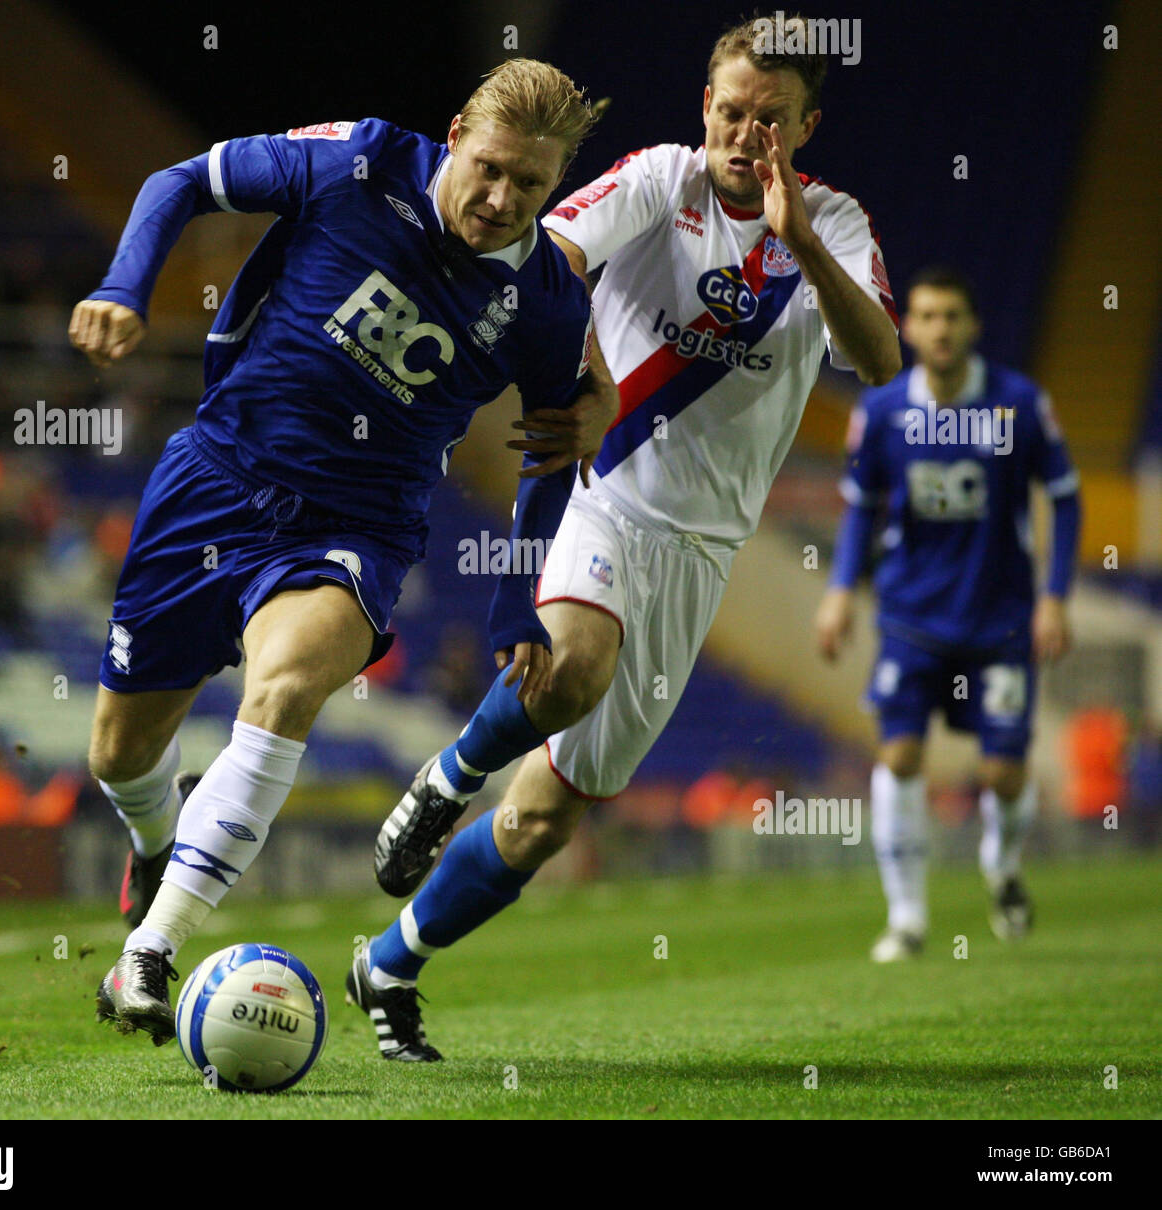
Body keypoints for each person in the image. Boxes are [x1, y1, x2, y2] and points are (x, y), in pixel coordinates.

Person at [352, 14, 901, 1060]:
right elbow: (547, 253)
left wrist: (799, 246)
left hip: (702, 554)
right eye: (732, 111)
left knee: (547, 820)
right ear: (706, 106)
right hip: (601, 492)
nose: (746, 134)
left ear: (806, 125)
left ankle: (388, 962)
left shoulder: (833, 223)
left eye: (770, 120)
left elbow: (875, 360)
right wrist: (589, 382)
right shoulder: (661, 181)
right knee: (573, 666)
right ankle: (444, 778)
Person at [68, 58, 620, 1043]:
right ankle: (155, 840)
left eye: (528, 185)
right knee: (119, 752)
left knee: (280, 693)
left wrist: (513, 596)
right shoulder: (359, 163)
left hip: (354, 527)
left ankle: (149, 951)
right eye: (489, 168)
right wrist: (124, 287)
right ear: (454, 134)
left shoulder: (543, 302)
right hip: (215, 479)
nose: (500, 199)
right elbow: (180, 182)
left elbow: (552, 444)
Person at [814, 265, 1081, 961]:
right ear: (908, 327)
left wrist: (1054, 597)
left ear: (972, 327)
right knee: (899, 755)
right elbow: (860, 508)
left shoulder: (1017, 405)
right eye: (927, 316)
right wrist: (842, 590)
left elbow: (1067, 496)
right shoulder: (880, 410)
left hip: (1000, 622)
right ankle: (905, 917)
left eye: (952, 316)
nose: (939, 328)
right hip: (909, 618)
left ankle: (1002, 863)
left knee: (1002, 775)